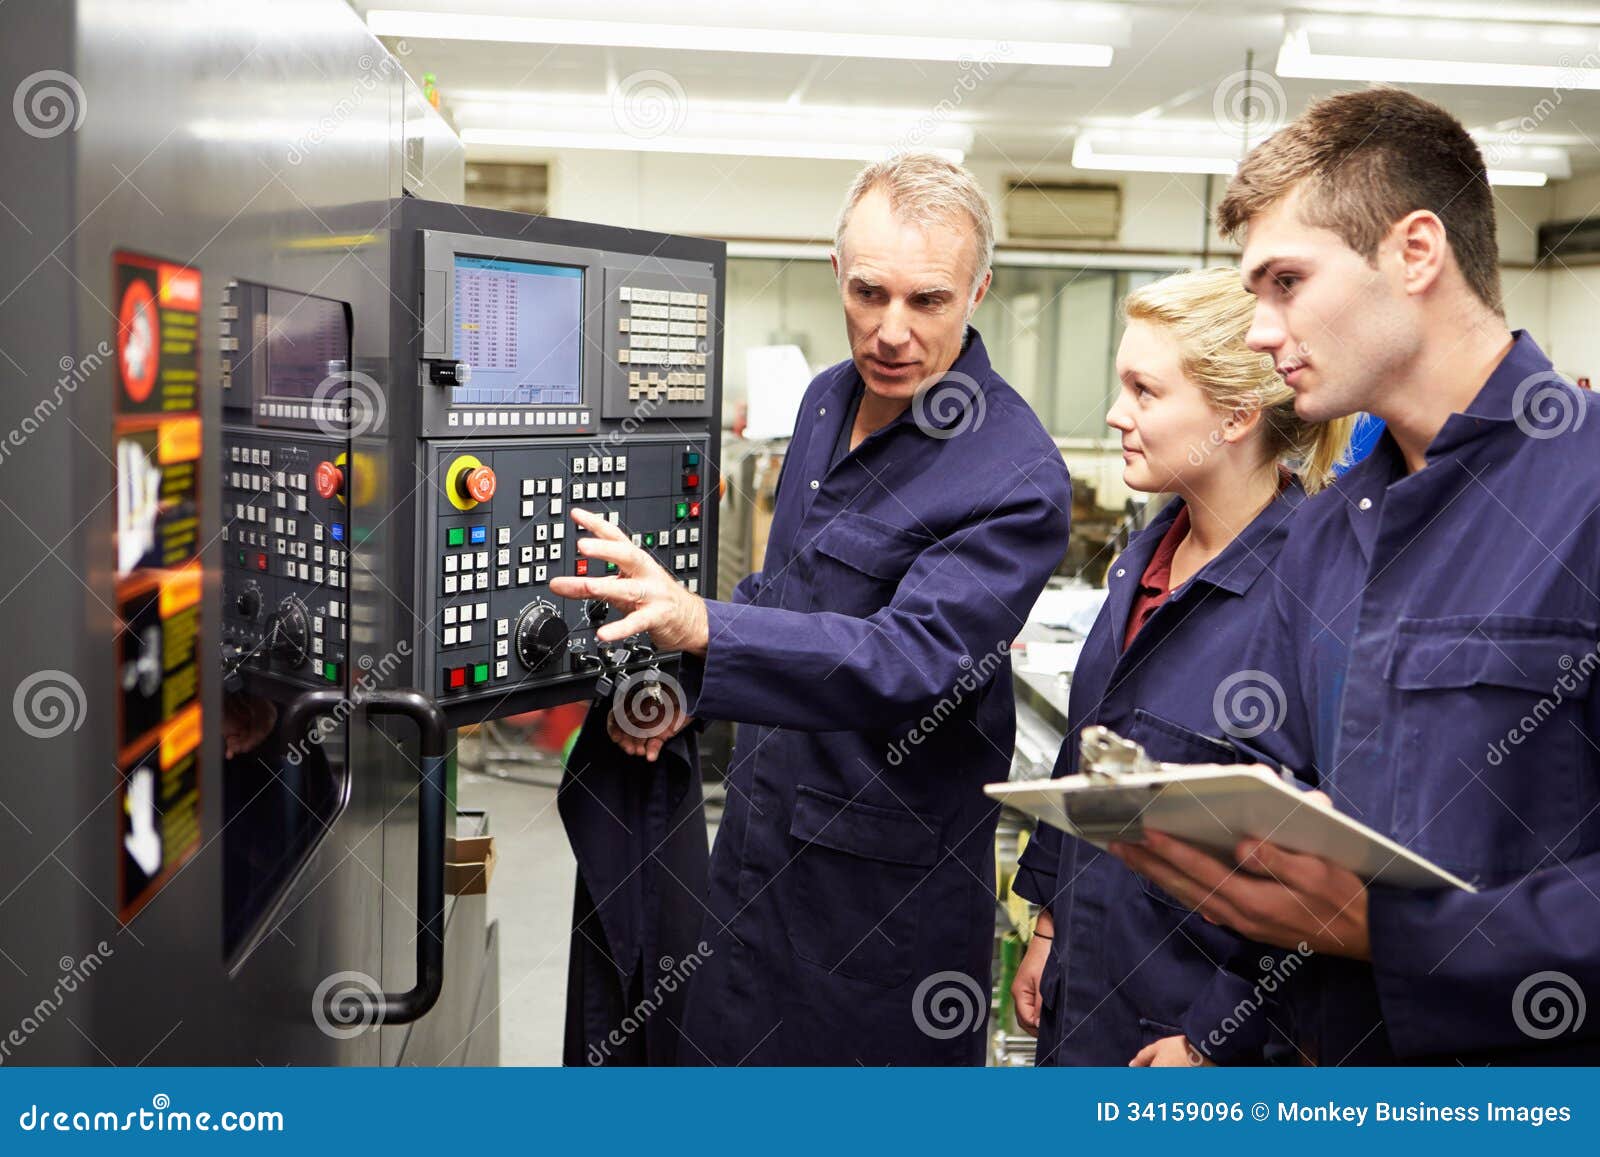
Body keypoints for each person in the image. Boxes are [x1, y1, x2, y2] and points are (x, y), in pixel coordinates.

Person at [1112, 86, 1600, 1064]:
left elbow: (1357, 912)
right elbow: (1301, 844)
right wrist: (1215, 1035)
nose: (1256, 330)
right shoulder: (1330, 528)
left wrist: (1401, 929)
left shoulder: (1583, 491)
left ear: (1413, 253)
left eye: (1284, 282)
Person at [549, 152, 1072, 1065]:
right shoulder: (829, 400)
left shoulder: (1015, 476)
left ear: (979, 289)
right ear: (838, 271)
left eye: (928, 301)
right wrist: (681, 684)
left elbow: (909, 659)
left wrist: (704, 626)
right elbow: (782, 591)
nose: (892, 331)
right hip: (755, 854)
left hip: (882, 908)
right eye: (869, 292)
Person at [1009, 268, 1351, 1066]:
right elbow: (1086, 756)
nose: (1115, 414)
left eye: (1144, 391)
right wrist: (1049, 924)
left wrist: (1213, 1035)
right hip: (1085, 994)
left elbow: (1330, 863)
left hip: (1183, 1026)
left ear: (1234, 415)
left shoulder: (1312, 593)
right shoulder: (1146, 557)